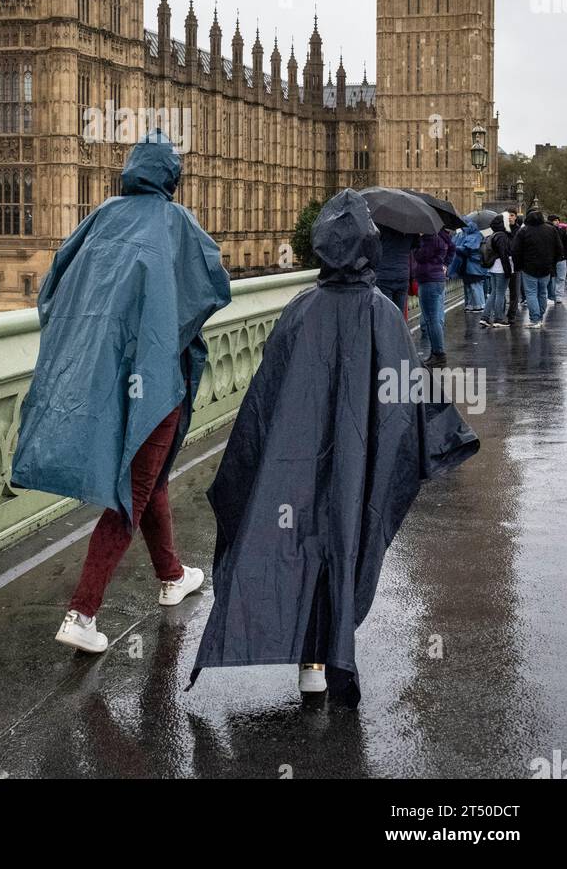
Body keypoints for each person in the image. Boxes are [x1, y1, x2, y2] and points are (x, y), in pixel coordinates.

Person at [189, 189, 479, 706]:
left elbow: (264, 398)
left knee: (300, 541)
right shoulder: (384, 313)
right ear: (369, 248)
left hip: (295, 460)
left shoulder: (299, 310)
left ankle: (310, 655)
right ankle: (322, 657)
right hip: (356, 459)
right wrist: (441, 437)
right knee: (344, 541)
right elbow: (407, 396)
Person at [11, 129, 230, 653]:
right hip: (157, 382)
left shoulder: (103, 214)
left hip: (107, 372)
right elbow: (215, 284)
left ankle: (173, 576)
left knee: (149, 482)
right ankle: (81, 613)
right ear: (171, 178)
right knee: (133, 492)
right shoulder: (175, 221)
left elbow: (53, 286)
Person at [513, 208, 565, 329]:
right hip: (546, 267)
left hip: (528, 267)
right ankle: (540, 317)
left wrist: (518, 265)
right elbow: (559, 248)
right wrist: (553, 262)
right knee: (543, 292)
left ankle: (535, 319)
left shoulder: (524, 231)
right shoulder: (551, 229)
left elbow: (516, 250)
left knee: (531, 293)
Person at [413, 226, 454, 366]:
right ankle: (436, 352)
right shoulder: (440, 239)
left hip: (429, 280)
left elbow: (420, 256)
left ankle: (439, 353)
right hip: (437, 279)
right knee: (434, 318)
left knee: (432, 319)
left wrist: (417, 243)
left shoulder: (429, 239)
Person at [480, 212, 513, 327]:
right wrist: (508, 271)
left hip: (493, 267)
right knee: (500, 293)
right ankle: (499, 318)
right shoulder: (502, 236)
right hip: (501, 268)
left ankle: (485, 316)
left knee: (494, 293)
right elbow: (504, 255)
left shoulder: (494, 235)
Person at [375, 226, 418, 313]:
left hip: (384, 275)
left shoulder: (382, 224)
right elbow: (415, 245)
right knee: (400, 313)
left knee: (385, 313)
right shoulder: (411, 227)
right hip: (402, 275)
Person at [450, 216, 488, 311]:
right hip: (469, 266)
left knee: (474, 285)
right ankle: (471, 305)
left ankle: (479, 305)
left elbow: (468, 249)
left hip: (473, 266)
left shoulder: (475, 236)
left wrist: (456, 248)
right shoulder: (470, 235)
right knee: (470, 285)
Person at [546, 214, 567, 301]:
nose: (558, 222)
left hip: (561, 258)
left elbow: (566, 245)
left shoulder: (562, 231)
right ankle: (552, 295)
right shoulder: (547, 231)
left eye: (558, 220)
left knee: (561, 277)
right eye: (555, 220)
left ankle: (558, 295)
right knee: (552, 277)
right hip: (551, 258)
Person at [507, 210, 522, 322]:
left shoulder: (520, 231)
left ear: (516, 217)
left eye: (512, 216)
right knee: (499, 290)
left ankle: (512, 314)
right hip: (503, 263)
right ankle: (499, 312)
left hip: (516, 263)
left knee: (514, 291)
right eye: (507, 216)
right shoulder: (503, 230)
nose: (510, 218)